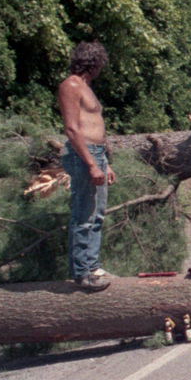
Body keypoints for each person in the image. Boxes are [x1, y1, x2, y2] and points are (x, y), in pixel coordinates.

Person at [58, 41, 115, 292]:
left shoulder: (85, 87)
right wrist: (92, 164)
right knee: (83, 215)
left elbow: (94, 126)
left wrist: (105, 163)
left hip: (96, 154)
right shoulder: (70, 85)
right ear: (93, 62)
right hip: (83, 156)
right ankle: (82, 273)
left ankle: (93, 266)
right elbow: (71, 128)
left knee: (98, 214)